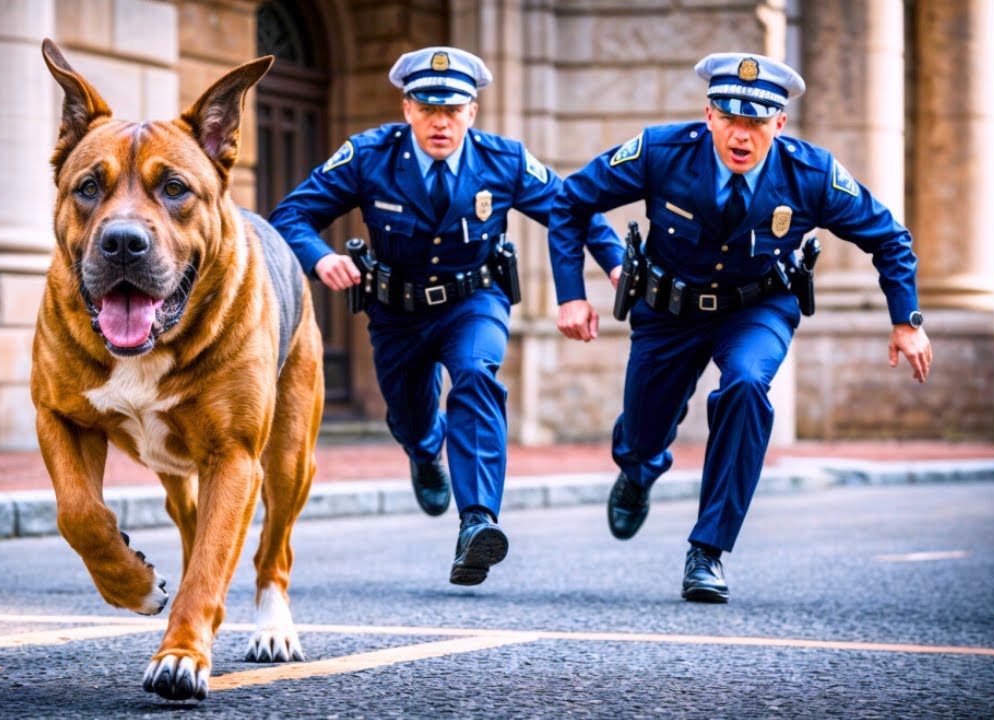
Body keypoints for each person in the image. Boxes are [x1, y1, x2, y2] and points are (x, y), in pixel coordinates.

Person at [549, 52, 933, 603]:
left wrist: (907, 320)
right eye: (730, 117)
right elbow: (571, 200)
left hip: (757, 308)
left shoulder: (812, 173)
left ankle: (708, 551)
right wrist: (571, 295)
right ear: (708, 115)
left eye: (756, 121)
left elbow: (889, 237)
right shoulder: (661, 152)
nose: (741, 134)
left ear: (779, 124)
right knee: (644, 428)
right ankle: (638, 469)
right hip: (669, 311)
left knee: (748, 386)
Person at [270, 46, 620, 586]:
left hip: (473, 302)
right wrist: (321, 258)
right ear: (407, 107)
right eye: (429, 107)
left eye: (453, 109)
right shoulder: (369, 155)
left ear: (472, 113)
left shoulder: (502, 161)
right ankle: (424, 448)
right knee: (410, 414)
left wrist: (615, 266)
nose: (441, 121)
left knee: (477, 375)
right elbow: (291, 214)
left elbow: (570, 209)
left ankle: (477, 521)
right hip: (396, 312)